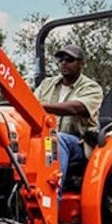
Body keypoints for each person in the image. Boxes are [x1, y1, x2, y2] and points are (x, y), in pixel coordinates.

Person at [34, 44, 104, 199]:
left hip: (78, 145)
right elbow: (30, 102)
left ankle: (52, 198)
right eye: (61, 59)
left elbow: (75, 108)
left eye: (70, 59)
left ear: (81, 64)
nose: (64, 63)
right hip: (44, 141)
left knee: (55, 140)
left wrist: (41, 107)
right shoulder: (47, 84)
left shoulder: (91, 88)